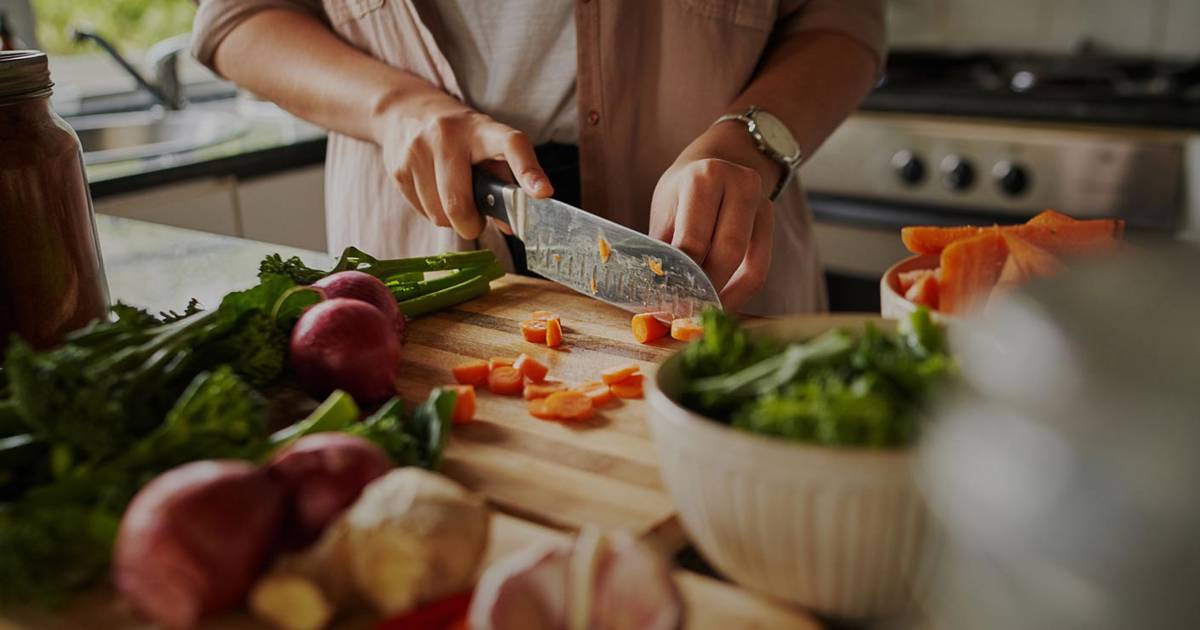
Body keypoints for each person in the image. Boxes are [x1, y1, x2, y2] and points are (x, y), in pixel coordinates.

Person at [191, 1, 884, 314]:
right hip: (427, 232)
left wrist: (750, 139)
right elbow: (237, 18)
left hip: (714, 245)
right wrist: (393, 107)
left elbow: (844, 23)